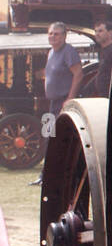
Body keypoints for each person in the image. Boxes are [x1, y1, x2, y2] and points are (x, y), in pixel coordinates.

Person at [30, 22, 84, 184]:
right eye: (51, 34)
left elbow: (79, 74)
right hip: (50, 102)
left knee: (60, 138)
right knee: (47, 136)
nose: (53, 37)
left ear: (64, 36)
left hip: (62, 102)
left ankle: (58, 175)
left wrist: (70, 98)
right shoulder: (51, 53)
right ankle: (44, 175)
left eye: (57, 34)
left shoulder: (69, 52)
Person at [92, 20, 112, 97]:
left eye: (100, 31)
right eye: (95, 31)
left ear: (110, 32)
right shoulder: (102, 51)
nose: (97, 34)